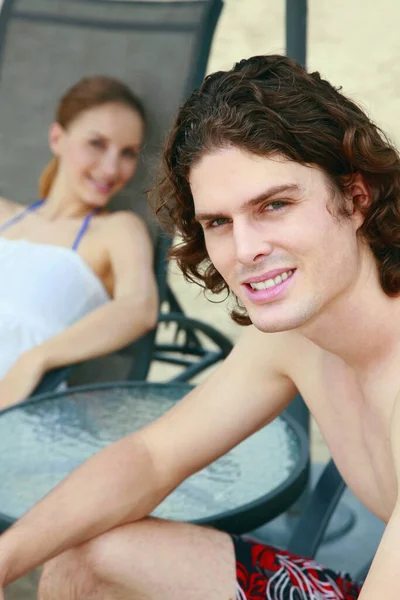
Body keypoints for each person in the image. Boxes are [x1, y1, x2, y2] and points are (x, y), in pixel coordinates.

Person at [0, 52, 397, 599]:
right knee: (86, 552)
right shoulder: (295, 342)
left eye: (275, 205)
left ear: (355, 197)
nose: (247, 249)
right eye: (218, 222)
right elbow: (151, 458)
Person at [0, 75, 158, 409]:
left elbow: (139, 308)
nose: (111, 168)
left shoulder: (116, 230)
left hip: (15, 411)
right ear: (57, 138)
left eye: (128, 153)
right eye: (97, 144)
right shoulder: (4, 213)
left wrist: (36, 359)